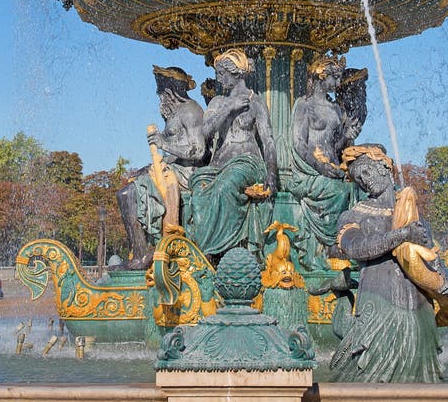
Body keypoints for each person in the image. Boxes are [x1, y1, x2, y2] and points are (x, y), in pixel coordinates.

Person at [329, 145, 444, 383]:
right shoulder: (353, 215)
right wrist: (402, 235)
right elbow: (356, 248)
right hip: (378, 314)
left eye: (367, 172)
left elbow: (433, 261)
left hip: (418, 317)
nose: (365, 181)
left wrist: (445, 280)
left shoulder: (412, 214)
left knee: (422, 391)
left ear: (384, 167)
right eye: (359, 179)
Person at [189, 48, 278, 260]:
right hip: (219, 164)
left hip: (247, 162)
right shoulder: (218, 102)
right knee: (198, 190)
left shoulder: (256, 102)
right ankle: (204, 249)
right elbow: (203, 133)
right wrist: (228, 108)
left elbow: (268, 140)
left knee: (224, 187)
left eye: (222, 73)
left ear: (236, 73)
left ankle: (214, 251)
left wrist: (272, 173)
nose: (218, 79)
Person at [116, 66, 205, 269]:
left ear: (172, 90)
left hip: (186, 174)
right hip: (172, 167)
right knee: (130, 185)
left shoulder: (191, 111)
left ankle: (142, 255)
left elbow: (198, 151)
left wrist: (163, 143)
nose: (159, 95)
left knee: (128, 193)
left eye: (162, 91)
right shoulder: (175, 113)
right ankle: (141, 250)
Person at [290, 55, 355, 269]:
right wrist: (320, 166)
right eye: (334, 78)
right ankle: (330, 248)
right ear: (321, 76)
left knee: (356, 190)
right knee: (339, 192)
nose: (338, 84)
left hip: (332, 168)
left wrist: (348, 135)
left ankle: (351, 247)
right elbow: (299, 143)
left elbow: (336, 147)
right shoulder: (304, 105)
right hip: (309, 171)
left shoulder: (336, 109)